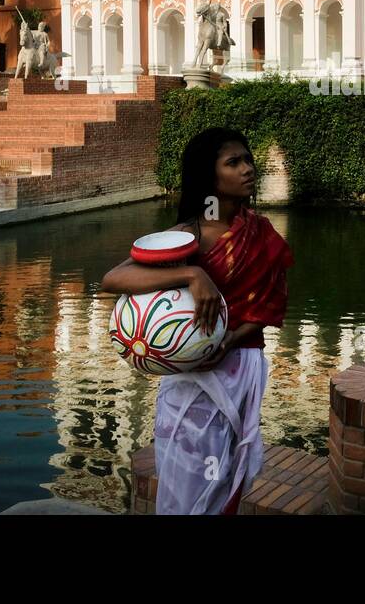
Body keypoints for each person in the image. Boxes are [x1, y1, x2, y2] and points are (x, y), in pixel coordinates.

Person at [100, 127, 292, 514]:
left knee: (228, 474)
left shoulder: (262, 233)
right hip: (193, 377)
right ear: (210, 176)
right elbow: (114, 279)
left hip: (240, 365)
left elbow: (269, 308)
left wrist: (233, 338)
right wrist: (191, 275)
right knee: (191, 475)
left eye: (248, 159)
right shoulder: (190, 235)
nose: (247, 169)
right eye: (233, 162)